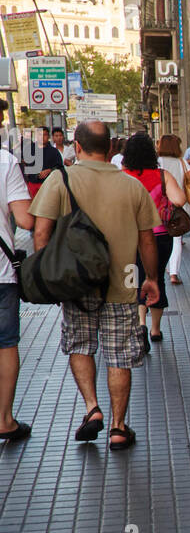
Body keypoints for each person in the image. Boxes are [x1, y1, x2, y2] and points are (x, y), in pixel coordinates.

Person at [31, 121, 161, 451]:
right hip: (124, 282)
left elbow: (41, 233)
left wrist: (49, 277)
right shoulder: (132, 186)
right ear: (110, 149)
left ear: (77, 145)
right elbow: (148, 241)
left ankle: (92, 408)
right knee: (119, 356)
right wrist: (152, 279)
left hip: (75, 283)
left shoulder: (61, 179)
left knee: (79, 344)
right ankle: (119, 428)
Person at [122, 133, 186, 344]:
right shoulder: (162, 175)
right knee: (157, 277)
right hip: (159, 237)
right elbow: (179, 200)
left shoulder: (122, 176)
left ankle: (141, 323)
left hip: (129, 237)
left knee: (137, 279)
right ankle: (155, 330)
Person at [0, 106, 35, 442]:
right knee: (6, 344)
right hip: (0, 273)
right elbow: (25, 220)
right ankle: (5, 419)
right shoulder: (5, 162)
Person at [157, 133, 190, 284]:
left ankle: (164, 267)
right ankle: (174, 273)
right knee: (176, 238)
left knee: (160, 237)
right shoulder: (182, 162)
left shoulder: (158, 162)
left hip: (160, 206)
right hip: (177, 205)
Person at [22, 126, 63, 199]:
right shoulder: (29, 149)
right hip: (32, 184)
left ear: (48, 136)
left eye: (45, 135)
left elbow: (60, 167)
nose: (42, 137)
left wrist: (50, 170)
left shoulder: (54, 151)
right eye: (40, 135)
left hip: (49, 184)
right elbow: (22, 163)